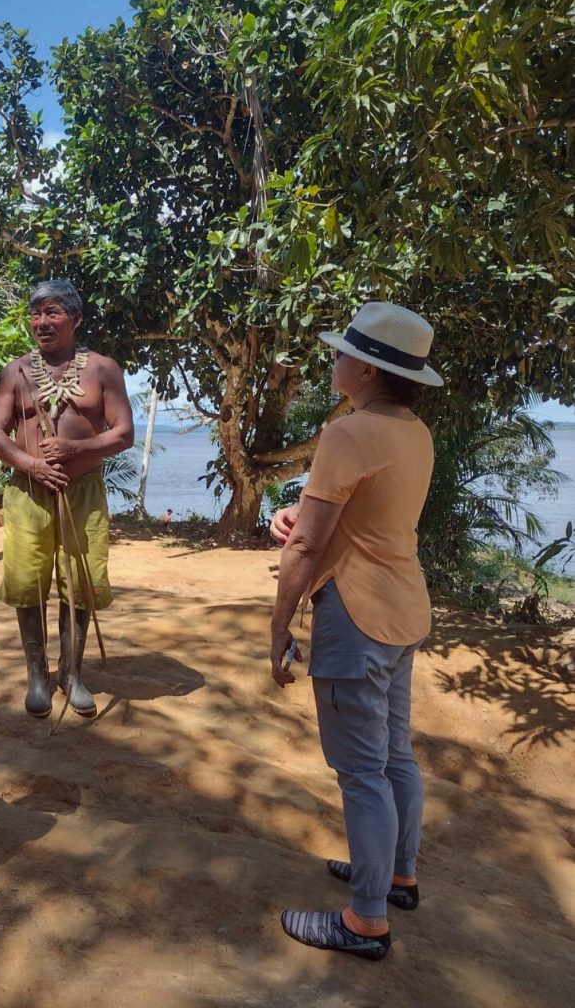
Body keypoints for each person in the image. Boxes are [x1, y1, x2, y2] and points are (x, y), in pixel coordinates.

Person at [267, 302, 443, 961]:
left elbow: (308, 549)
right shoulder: (412, 432)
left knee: (362, 772)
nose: (333, 360)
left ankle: (365, 922)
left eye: (342, 353)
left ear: (366, 370)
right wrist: (295, 512)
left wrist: (279, 625)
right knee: (394, 755)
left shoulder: (349, 433)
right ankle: (397, 876)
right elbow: (359, 515)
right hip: (402, 610)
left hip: (356, 617)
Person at [0, 280, 134, 719]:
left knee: (80, 583)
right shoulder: (15, 372)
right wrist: (30, 465)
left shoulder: (103, 370)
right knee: (28, 582)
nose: (42, 323)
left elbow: (123, 433)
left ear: (76, 319)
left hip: (83, 494)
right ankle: (37, 674)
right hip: (27, 494)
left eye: (52, 313)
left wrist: (76, 451)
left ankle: (71, 674)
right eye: (36, 314)